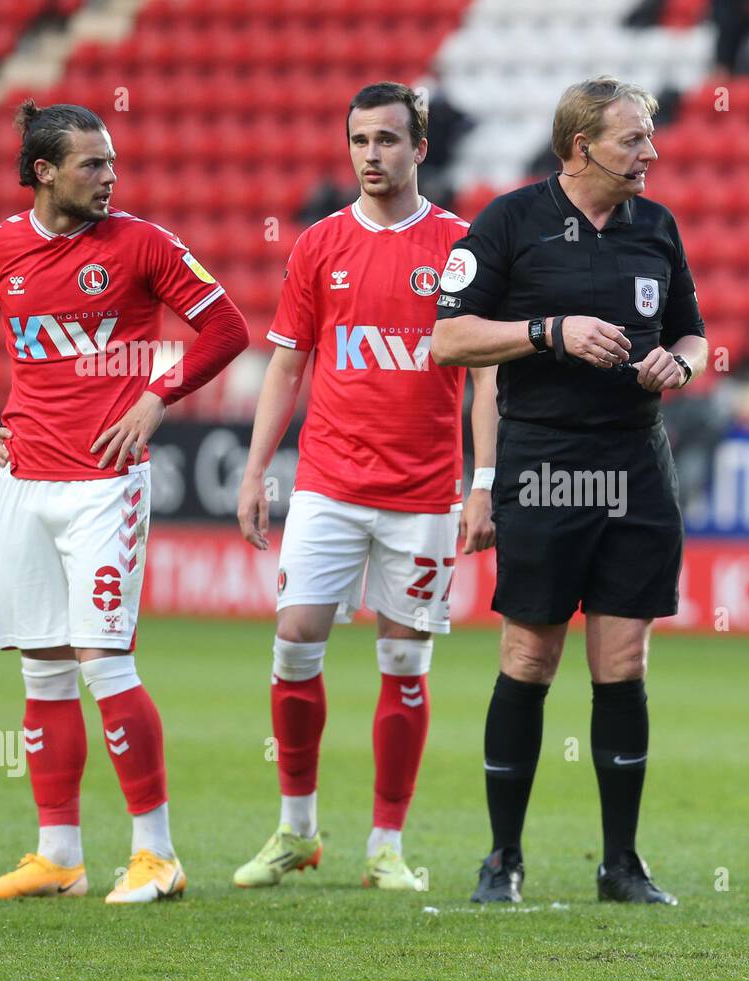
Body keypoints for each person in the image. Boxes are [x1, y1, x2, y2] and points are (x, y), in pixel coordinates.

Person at [0, 100, 249, 902]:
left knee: (104, 662)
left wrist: (157, 395)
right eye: (93, 164)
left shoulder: (143, 244)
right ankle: (60, 856)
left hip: (106, 487)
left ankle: (158, 853)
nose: (110, 176)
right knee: (43, 672)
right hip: (25, 483)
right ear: (44, 172)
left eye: (112, 162)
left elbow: (225, 327)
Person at [431, 76, 708, 905]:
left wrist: (682, 361)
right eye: (633, 141)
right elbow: (448, 338)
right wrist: (547, 331)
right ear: (581, 146)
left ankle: (620, 864)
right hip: (544, 463)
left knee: (623, 663)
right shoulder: (508, 221)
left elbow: (692, 327)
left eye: (649, 139)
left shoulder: (656, 227)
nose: (649, 154)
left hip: (635, 461)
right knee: (529, 657)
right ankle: (502, 859)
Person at [234, 82, 497, 891]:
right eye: (359, 141)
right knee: (295, 636)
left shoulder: (460, 245)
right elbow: (287, 362)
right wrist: (255, 470)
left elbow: (487, 373)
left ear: (420, 147)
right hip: (328, 481)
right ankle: (297, 830)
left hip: (421, 492)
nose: (372, 155)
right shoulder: (318, 245)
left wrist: (481, 481)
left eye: (387, 139)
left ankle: (386, 844)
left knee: (403, 663)